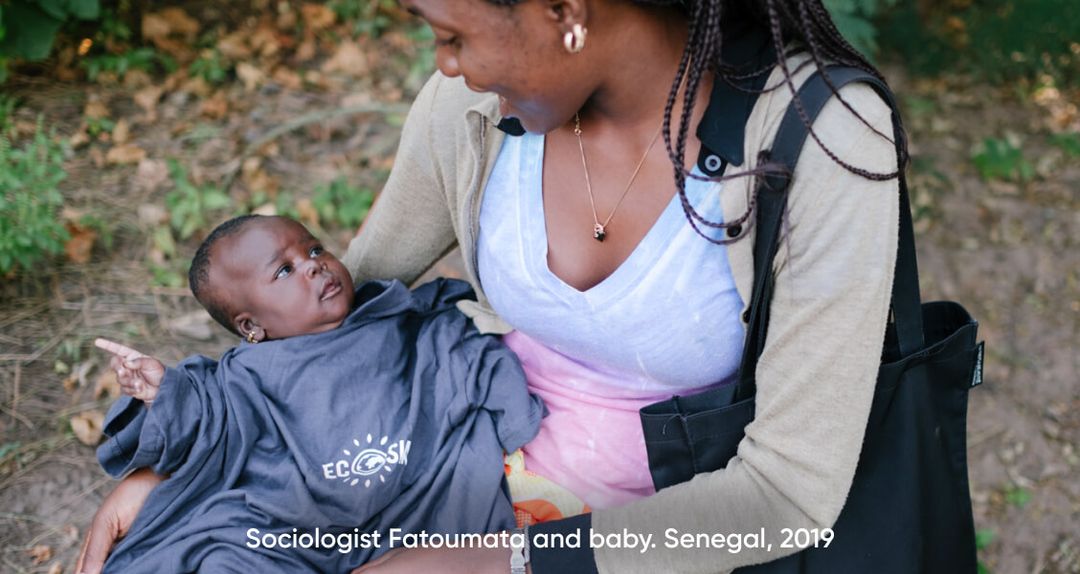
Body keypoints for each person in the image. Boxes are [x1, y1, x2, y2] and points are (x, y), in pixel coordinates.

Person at [78, 0, 905, 573]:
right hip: (447, 463)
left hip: (651, 533)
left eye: (452, 34)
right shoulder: (467, 111)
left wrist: (499, 559)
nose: (445, 65)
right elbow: (340, 313)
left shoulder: (821, 140)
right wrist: (204, 450)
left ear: (565, 14)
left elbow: (788, 494)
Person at [88, 214, 548, 572]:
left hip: (410, 504)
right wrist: (162, 391)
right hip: (292, 524)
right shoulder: (246, 375)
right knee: (220, 552)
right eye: (285, 270)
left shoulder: (391, 317)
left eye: (314, 249)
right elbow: (202, 414)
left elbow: (448, 348)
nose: (313, 265)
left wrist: (470, 360)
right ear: (251, 326)